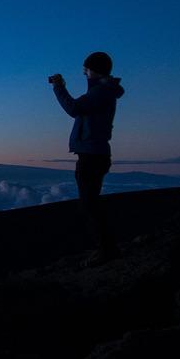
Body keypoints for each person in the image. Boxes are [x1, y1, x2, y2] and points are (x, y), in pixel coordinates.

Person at [49, 52, 125, 261]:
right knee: (91, 204)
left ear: (95, 70)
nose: (84, 73)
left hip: (92, 155)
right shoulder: (102, 91)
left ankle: (106, 250)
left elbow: (74, 108)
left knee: (90, 205)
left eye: (87, 70)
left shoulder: (102, 92)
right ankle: (106, 247)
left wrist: (59, 86)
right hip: (93, 154)